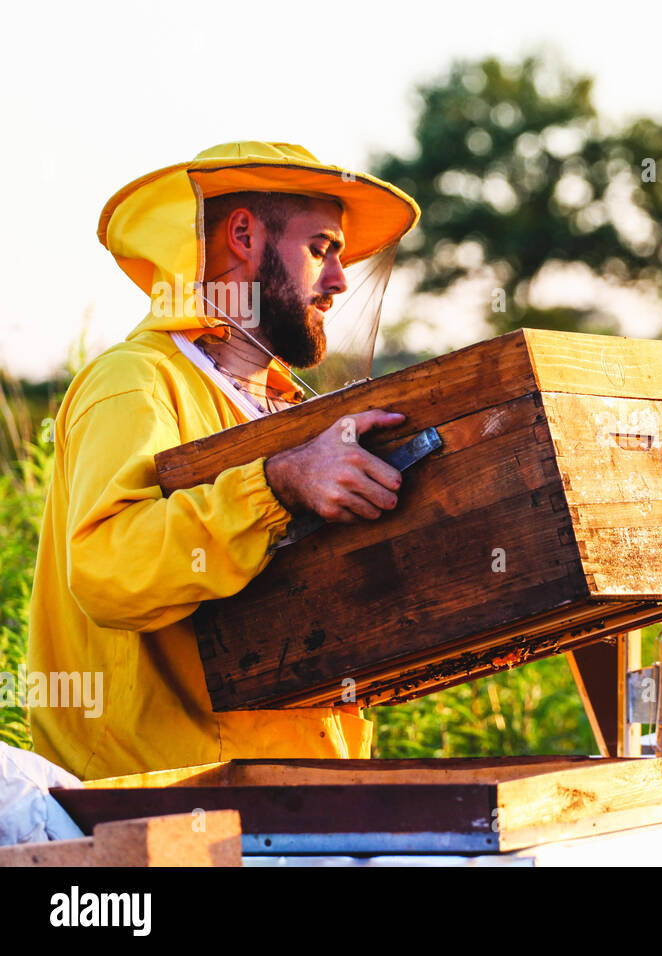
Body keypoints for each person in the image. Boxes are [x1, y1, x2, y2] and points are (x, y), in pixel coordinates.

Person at [26, 141, 420, 778]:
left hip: (301, 800)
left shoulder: (289, 411)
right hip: (165, 809)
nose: (341, 280)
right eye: (322, 248)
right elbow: (108, 568)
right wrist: (278, 485)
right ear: (243, 235)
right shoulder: (136, 381)